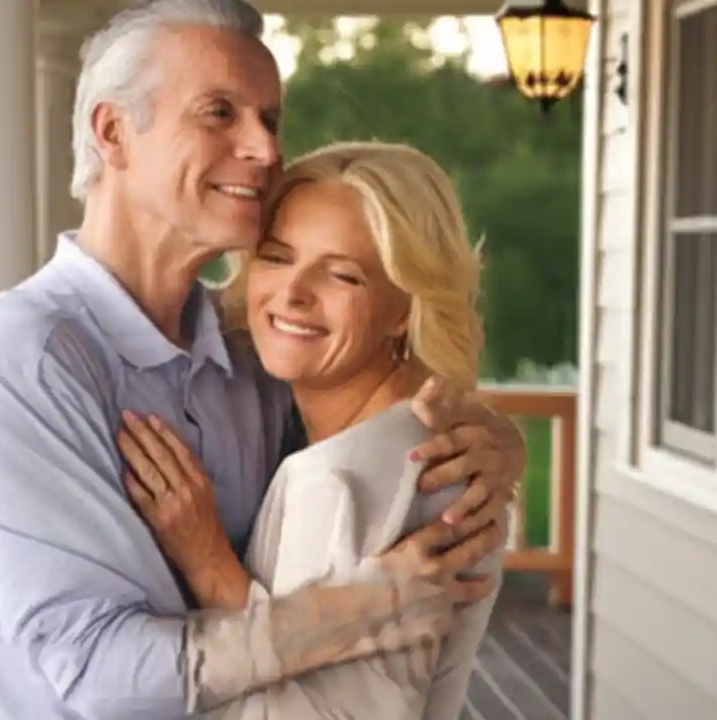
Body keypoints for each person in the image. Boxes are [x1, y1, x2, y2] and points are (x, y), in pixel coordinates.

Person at [0, 2, 526, 718]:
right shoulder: (31, 362)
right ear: (112, 131)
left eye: (269, 119)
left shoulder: (254, 350)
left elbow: (367, 442)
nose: (266, 150)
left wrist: (494, 442)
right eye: (219, 112)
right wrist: (360, 609)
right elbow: (100, 679)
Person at [118, 141, 501, 719]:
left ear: (404, 308)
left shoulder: (338, 479)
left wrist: (209, 565)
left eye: (342, 275)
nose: (293, 293)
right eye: (277, 257)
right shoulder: (421, 443)